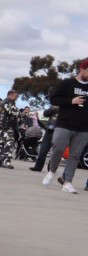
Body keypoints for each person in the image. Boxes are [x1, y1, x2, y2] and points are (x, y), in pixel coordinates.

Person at [42, 58, 88, 193]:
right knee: (58, 148)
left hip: (84, 128)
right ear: (83, 69)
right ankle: (51, 171)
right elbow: (54, 99)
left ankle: (67, 182)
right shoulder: (67, 83)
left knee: (75, 155)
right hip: (64, 124)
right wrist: (71, 101)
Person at [0, 90, 20, 168]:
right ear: (10, 95)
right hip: (6, 127)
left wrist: (17, 112)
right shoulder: (7, 102)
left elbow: (14, 112)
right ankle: (6, 162)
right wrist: (18, 113)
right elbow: (13, 112)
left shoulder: (6, 102)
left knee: (0, 144)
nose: (16, 98)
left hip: (1, 127)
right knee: (9, 144)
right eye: (16, 96)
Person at [30, 106, 58, 172]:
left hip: (59, 131)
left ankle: (51, 169)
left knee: (55, 152)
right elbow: (45, 114)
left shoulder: (66, 107)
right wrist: (53, 108)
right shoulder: (53, 107)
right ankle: (38, 167)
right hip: (49, 131)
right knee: (43, 150)